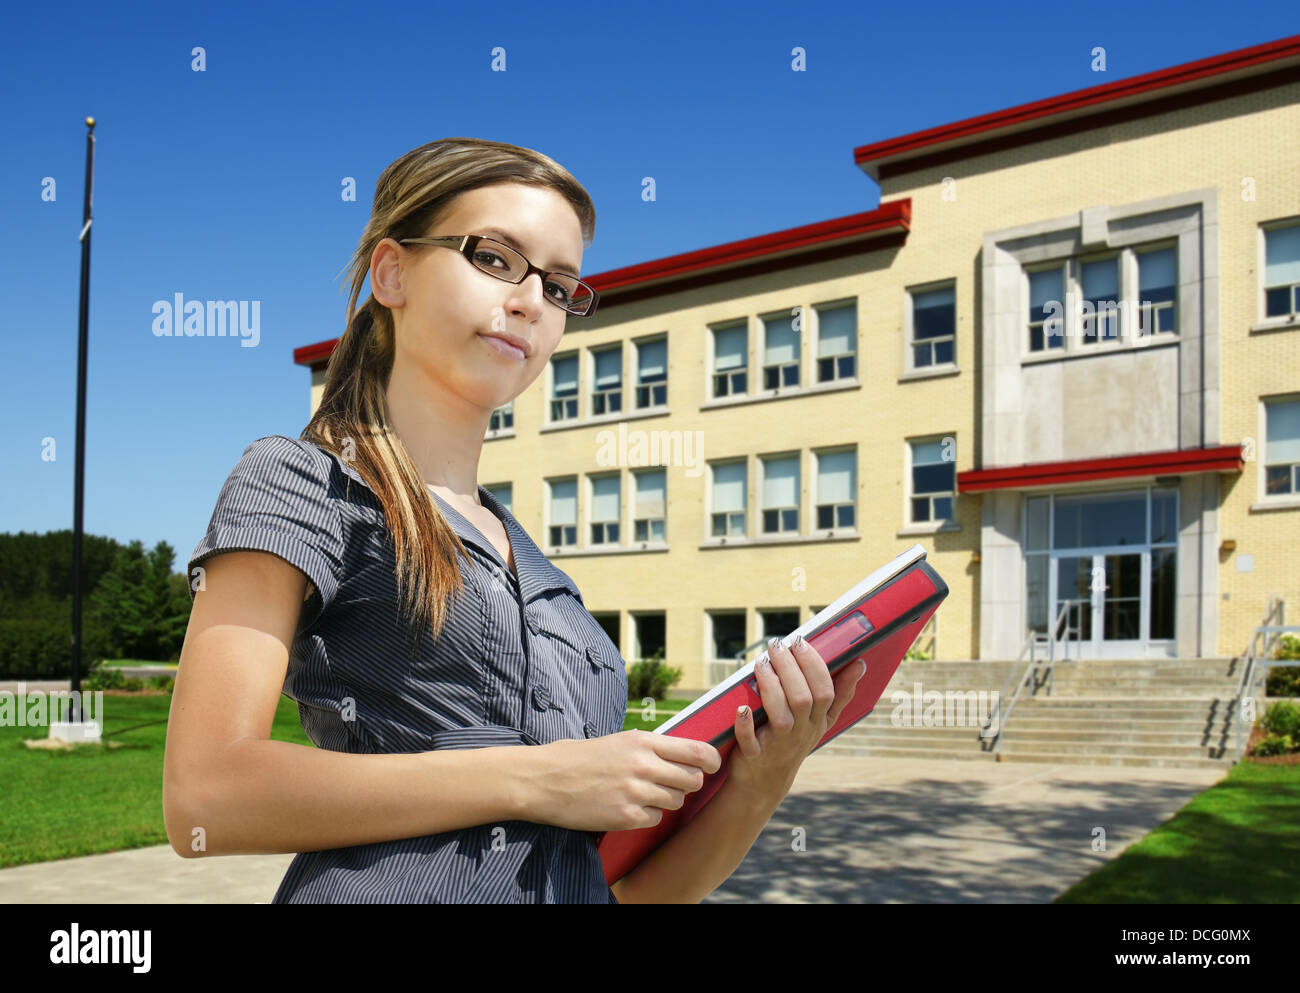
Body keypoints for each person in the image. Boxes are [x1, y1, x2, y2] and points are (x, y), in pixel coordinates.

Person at [162, 136, 868, 904]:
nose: (533, 300)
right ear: (391, 272)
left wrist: (764, 778)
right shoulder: (303, 481)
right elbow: (205, 795)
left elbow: (626, 894)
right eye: (495, 258)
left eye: (561, 285)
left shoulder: (543, 574)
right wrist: (538, 779)